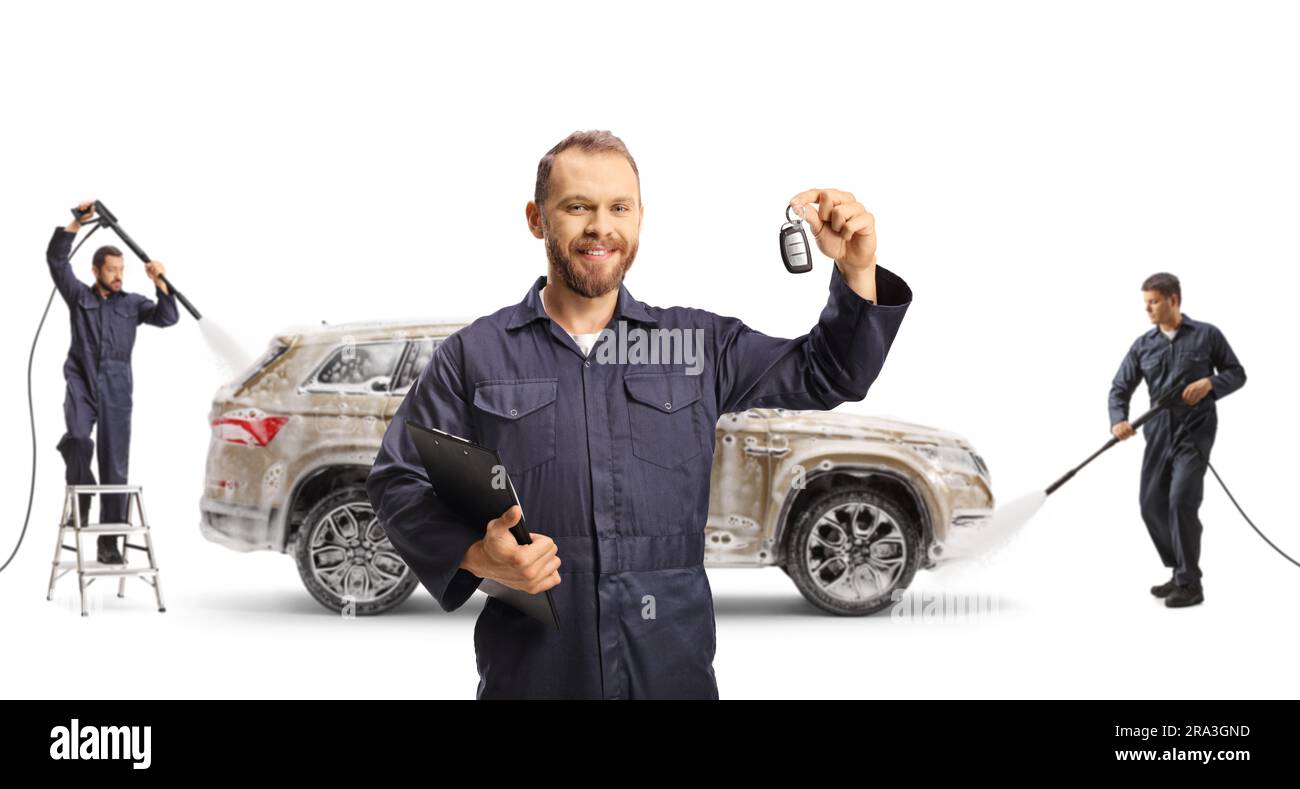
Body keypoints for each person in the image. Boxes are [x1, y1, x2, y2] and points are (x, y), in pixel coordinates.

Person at [367, 130, 912, 698]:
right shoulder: (473, 355)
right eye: (577, 206)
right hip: (533, 678)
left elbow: (830, 374)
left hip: (669, 673)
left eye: (618, 208)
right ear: (536, 219)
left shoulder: (697, 346)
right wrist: (477, 556)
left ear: (639, 220)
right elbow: (397, 481)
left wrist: (857, 272)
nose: (601, 226)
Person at [47, 201, 179, 564]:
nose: (119, 275)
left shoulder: (133, 303)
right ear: (96, 271)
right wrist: (76, 221)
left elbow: (168, 318)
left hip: (118, 389)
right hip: (82, 379)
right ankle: (83, 492)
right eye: (112, 270)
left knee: (115, 468)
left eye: (122, 269)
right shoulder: (79, 296)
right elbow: (56, 261)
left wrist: (160, 282)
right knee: (76, 438)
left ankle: (109, 544)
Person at [1108, 272, 1246, 608]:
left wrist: (1210, 384)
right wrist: (1119, 421)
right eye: (1145, 304)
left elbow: (1237, 373)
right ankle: (1179, 569)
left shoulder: (1206, 335)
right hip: (1157, 432)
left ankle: (1190, 583)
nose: (1148, 309)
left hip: (1194, 431)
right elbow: (1119, 388)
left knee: (1181, 499)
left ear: (1173, 299)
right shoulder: (1144, 345)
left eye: (1153, 302)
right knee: (1150, 503)